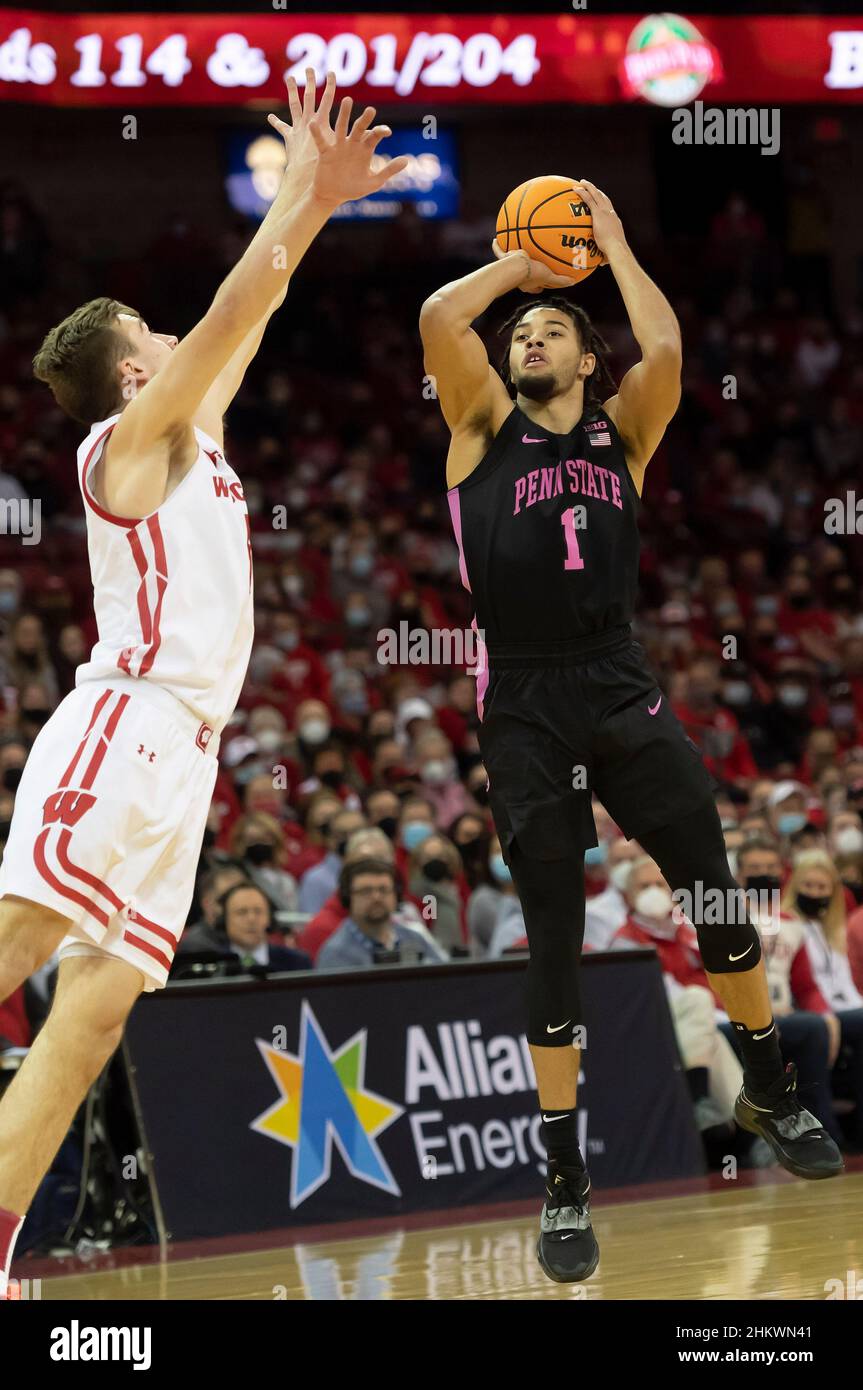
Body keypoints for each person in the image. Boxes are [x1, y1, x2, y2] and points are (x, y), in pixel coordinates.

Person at [0, 69, 409, 1296]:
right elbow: (234, 309)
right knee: (17, 934)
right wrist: (302, 201)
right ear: (134, 376)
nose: (179, 341)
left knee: (95, 1012)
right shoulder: (122, 448)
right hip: (121, 726)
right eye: (156, 338)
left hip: (185, 757)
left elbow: (251, 309)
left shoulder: (196, 436)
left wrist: (306, 196)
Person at [419, 179, 843, 1284]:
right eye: (520, 333)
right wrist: (525, 264)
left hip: (613, 676)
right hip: (518, 692)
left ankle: (767, 1083)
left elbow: (663, 340)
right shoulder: (477, 424)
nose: (529, 336)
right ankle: (563, 1178)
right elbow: (436, 319)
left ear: (586, 358)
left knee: (708, 882)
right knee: (552, 928)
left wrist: (604, 241)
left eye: (552, 328)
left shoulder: (626, 428)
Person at [317, 859, 447, 970]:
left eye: (384, 890)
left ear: (397, 895)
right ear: (347, 897)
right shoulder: (336, 953)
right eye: (366, 891)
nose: (376, 897)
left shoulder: (414, 938)